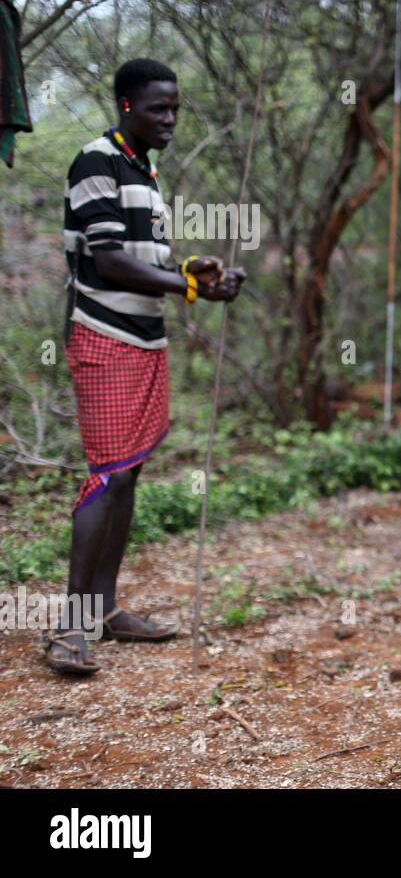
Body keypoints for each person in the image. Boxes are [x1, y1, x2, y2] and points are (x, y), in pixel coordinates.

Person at [47, 58, 246, 675]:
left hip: (144, 340)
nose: (170, 118)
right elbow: (109, 262)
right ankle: (68, 629)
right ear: (126, 105)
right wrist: (189, 291)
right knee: (107, 476)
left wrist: (191, 272)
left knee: (127, 475)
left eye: (176, 108)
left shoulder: (144, 171)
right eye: (159, 108)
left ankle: (103, 610)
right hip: (105, 339)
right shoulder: (95, 161)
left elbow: (143, 258)